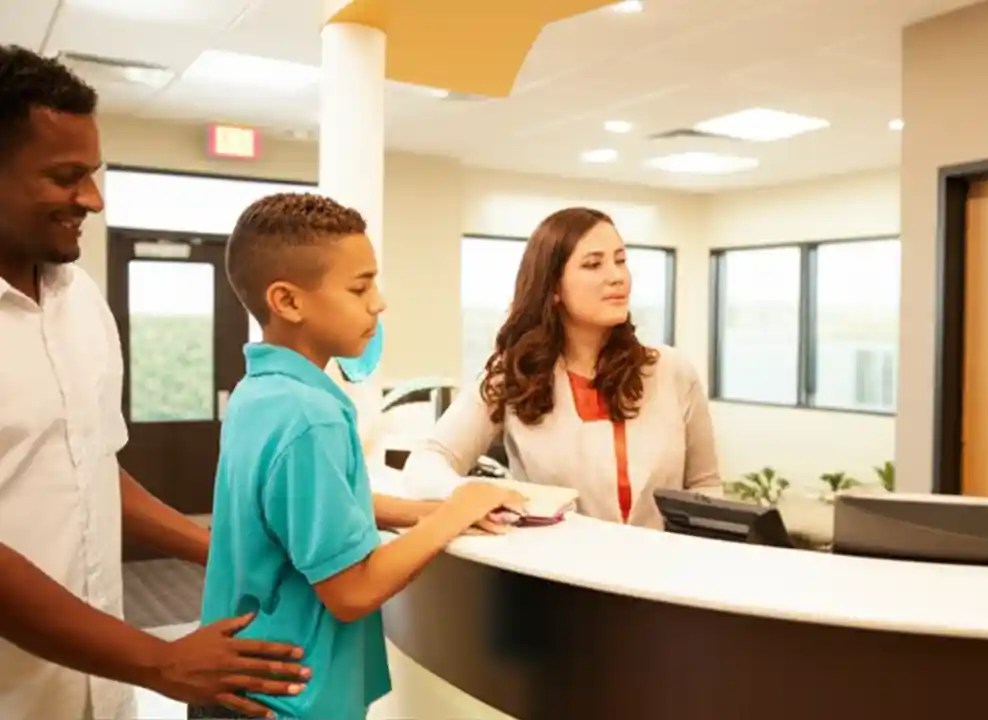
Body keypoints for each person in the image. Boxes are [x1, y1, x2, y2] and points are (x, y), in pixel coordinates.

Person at [0, 44, 310, 719]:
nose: (93, 197)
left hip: (99, 692)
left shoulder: (78, 299)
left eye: (94, 172)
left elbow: (88, 466)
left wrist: (220, 549)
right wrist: (159, 659)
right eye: (65, 176)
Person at [194, 193, 526, 720]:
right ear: (288, 301)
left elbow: (311, 509)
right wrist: (458, 511)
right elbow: (352, 589)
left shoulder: (259, 393)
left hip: (240, 693)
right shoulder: (310, 416)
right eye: (360, 286)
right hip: (287, 702)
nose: (379, 302)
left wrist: (428, 513)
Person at [404, 207, 722, 528]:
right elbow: (425, 463)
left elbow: (706, 487)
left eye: (621, 260)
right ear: (553, 287)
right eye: (593, 264)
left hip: (658, 573)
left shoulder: (673, 371)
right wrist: (476, 496)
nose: (617, 276)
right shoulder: (514, 376)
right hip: (551, 572)